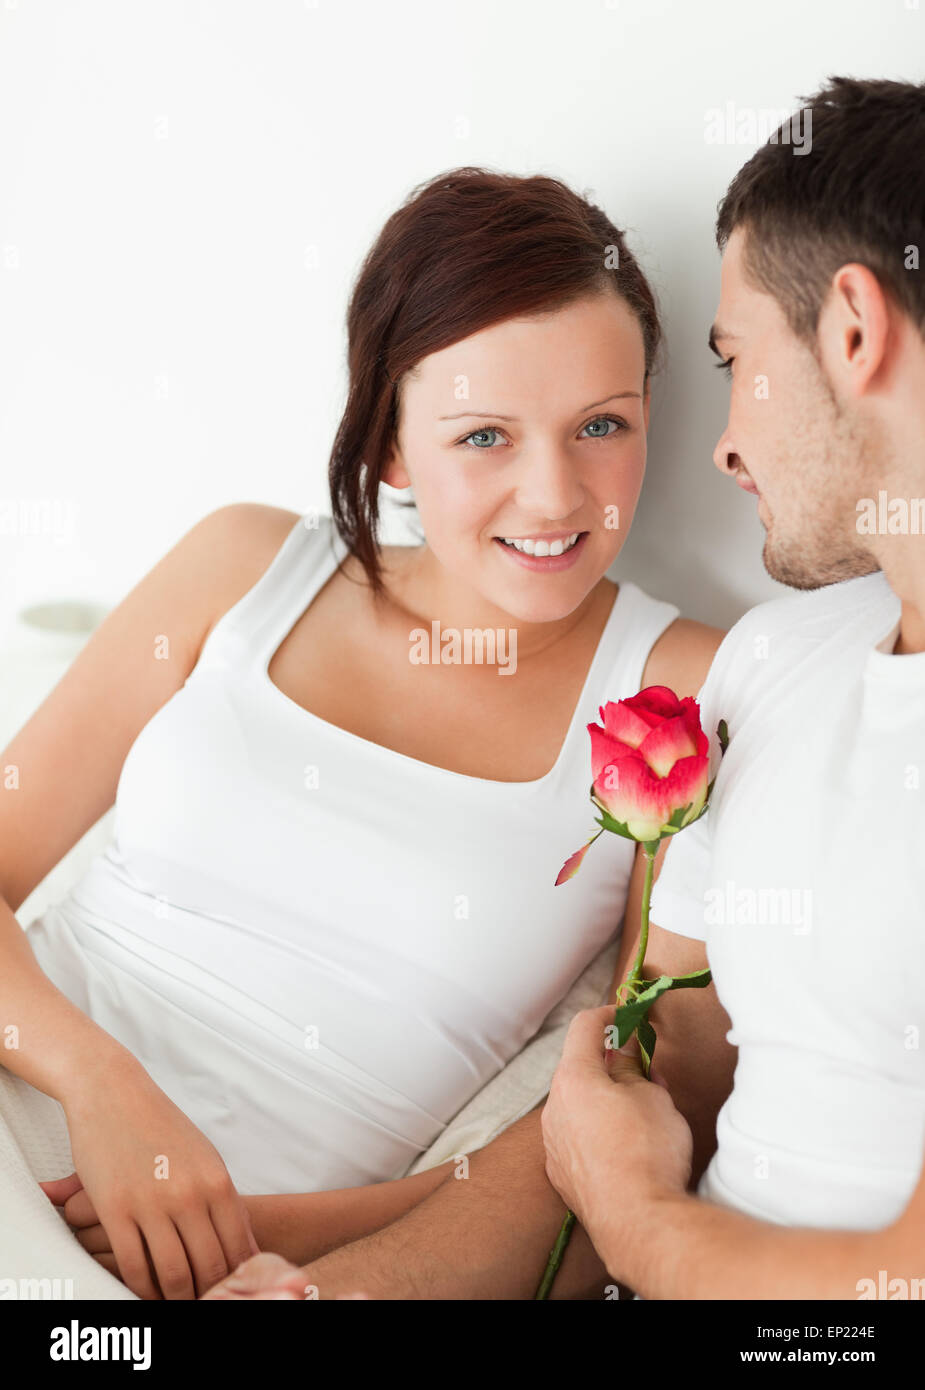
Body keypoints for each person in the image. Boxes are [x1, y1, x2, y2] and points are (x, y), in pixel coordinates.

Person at [201, 72, 925, 1303]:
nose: (719, 444)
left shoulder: (696, 661)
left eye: (733, 358)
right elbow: (659, 1081)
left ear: (851, 330)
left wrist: (633, 1212)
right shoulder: (774, 666)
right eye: (484, 433)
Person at [1, 167, 724, 1299]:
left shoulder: (685, 695)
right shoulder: (244, 567)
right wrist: (101, 1086)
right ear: (389, 443)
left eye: (600, 425)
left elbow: (628, 1129)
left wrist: (270, 1229)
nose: (552, 495)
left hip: (230, 1260)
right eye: (484, 435)